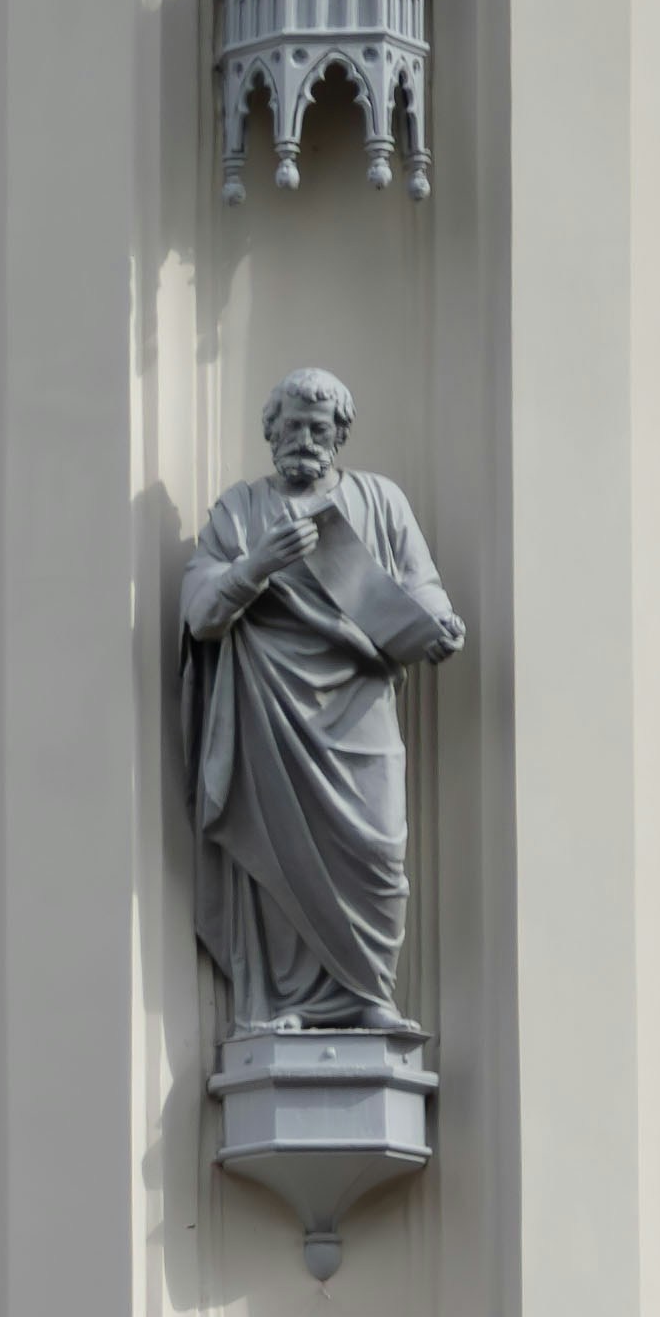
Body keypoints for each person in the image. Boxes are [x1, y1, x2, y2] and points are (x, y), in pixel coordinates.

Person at [169, 369, 471, 1044]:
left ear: (339, 436)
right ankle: (282, 997)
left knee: (377, 847)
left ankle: (370, 991)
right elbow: (200, 613)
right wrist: (257, 565)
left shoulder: (378, 500)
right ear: (270, 434)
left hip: (361, 703)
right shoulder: (241, 513)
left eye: (318, 428)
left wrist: (439, 623)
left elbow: (418, 583)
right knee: (280, 851)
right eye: (292, 427)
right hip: (271, 713)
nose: (304, 439)